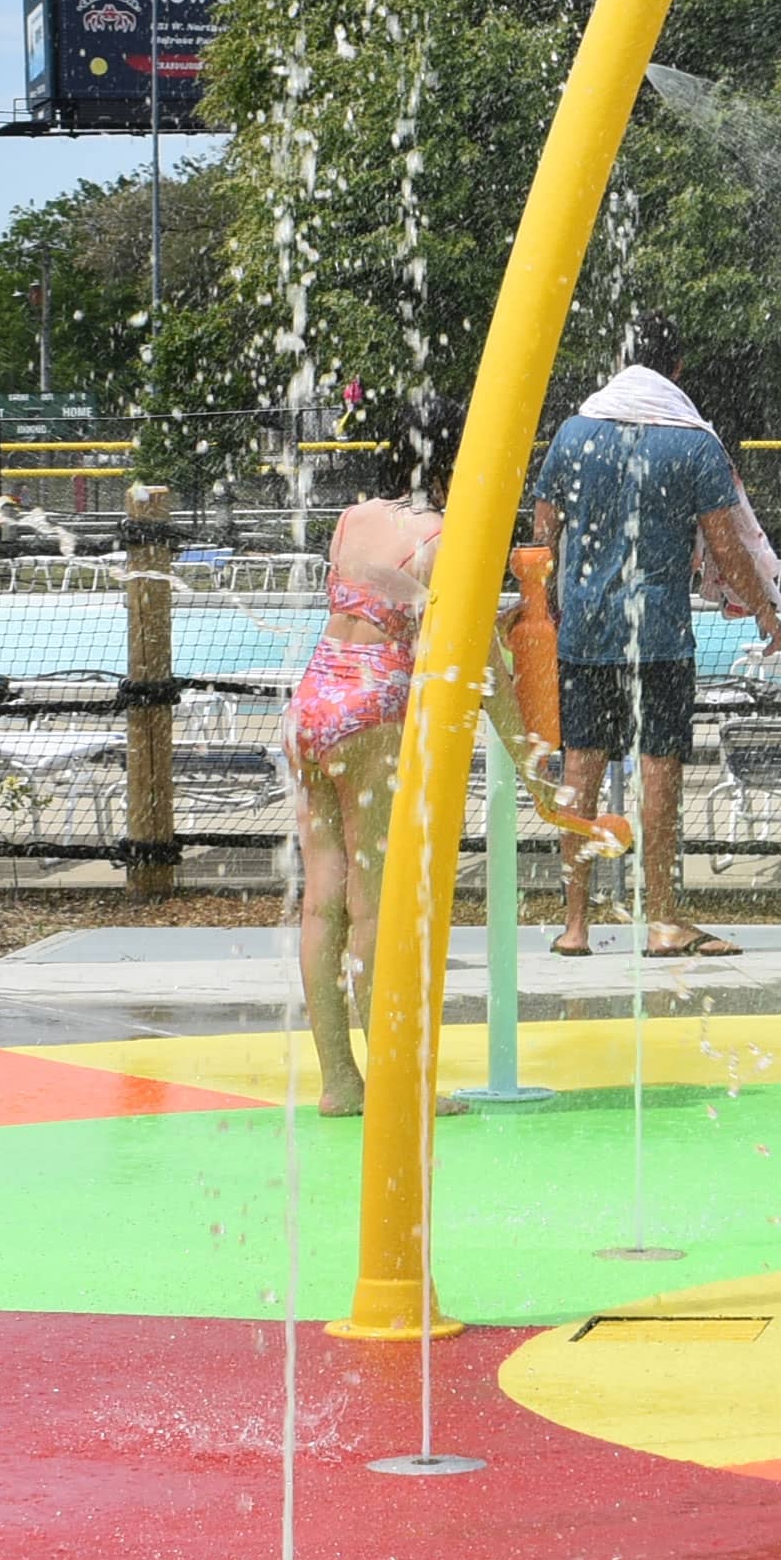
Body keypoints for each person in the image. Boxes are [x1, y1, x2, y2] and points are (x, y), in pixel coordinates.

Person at [531, 316, 781, 957]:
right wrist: (762, 610)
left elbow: (543, 534)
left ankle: (576, 925)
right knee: (659, 773)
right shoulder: (693, 443)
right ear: (676, 369)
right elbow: (726, 547)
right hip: (662, 636)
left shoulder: (573, 432)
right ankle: (663, 918)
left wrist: (546, 605)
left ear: (622, 357)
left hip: (584, 631)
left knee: (579, 771)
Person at [284, 473, 440, 1115]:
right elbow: (467, 652)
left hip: (312, 701)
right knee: (371, 905)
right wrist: (533, 763)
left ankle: (339, 1082)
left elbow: (364, 599)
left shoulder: (353, 516)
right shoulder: (447, 534)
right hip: (372, 711)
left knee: (322, 903)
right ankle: (400, 1085)